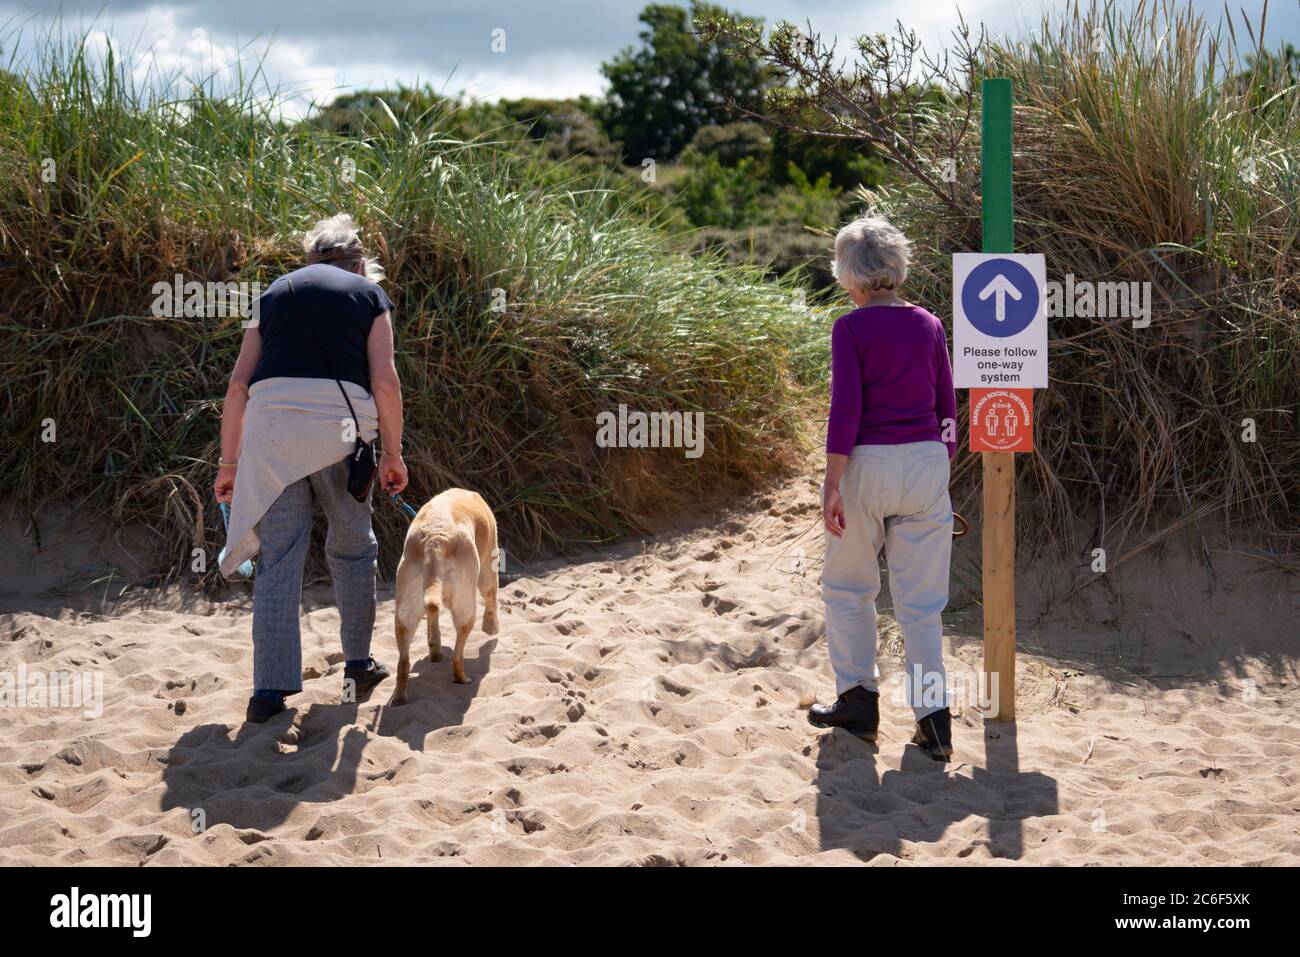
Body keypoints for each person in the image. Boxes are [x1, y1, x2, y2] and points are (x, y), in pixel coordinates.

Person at [214, 214, 409, 723]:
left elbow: (238, 386)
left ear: (308, 259)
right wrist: (392, 453)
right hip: (341, 433)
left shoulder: (275, 294)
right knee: (351, 546)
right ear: (360, 260)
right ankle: (357, 665)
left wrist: (229, 463)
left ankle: (268, 693)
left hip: (270, 434)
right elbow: (385, 383)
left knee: (278, 557)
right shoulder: (369, 296)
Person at [808, 214, 959, 761]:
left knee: (849, 588)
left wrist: (832, 481)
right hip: (924, 463)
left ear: (847, 275)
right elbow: (948, 407)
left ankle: (858, 703)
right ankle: (934, 722)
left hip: (867, 463)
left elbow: (845, 409)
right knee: (921, 604)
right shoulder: (929, 324)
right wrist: (937, 461)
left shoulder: (850, 328)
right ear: (897, 266)